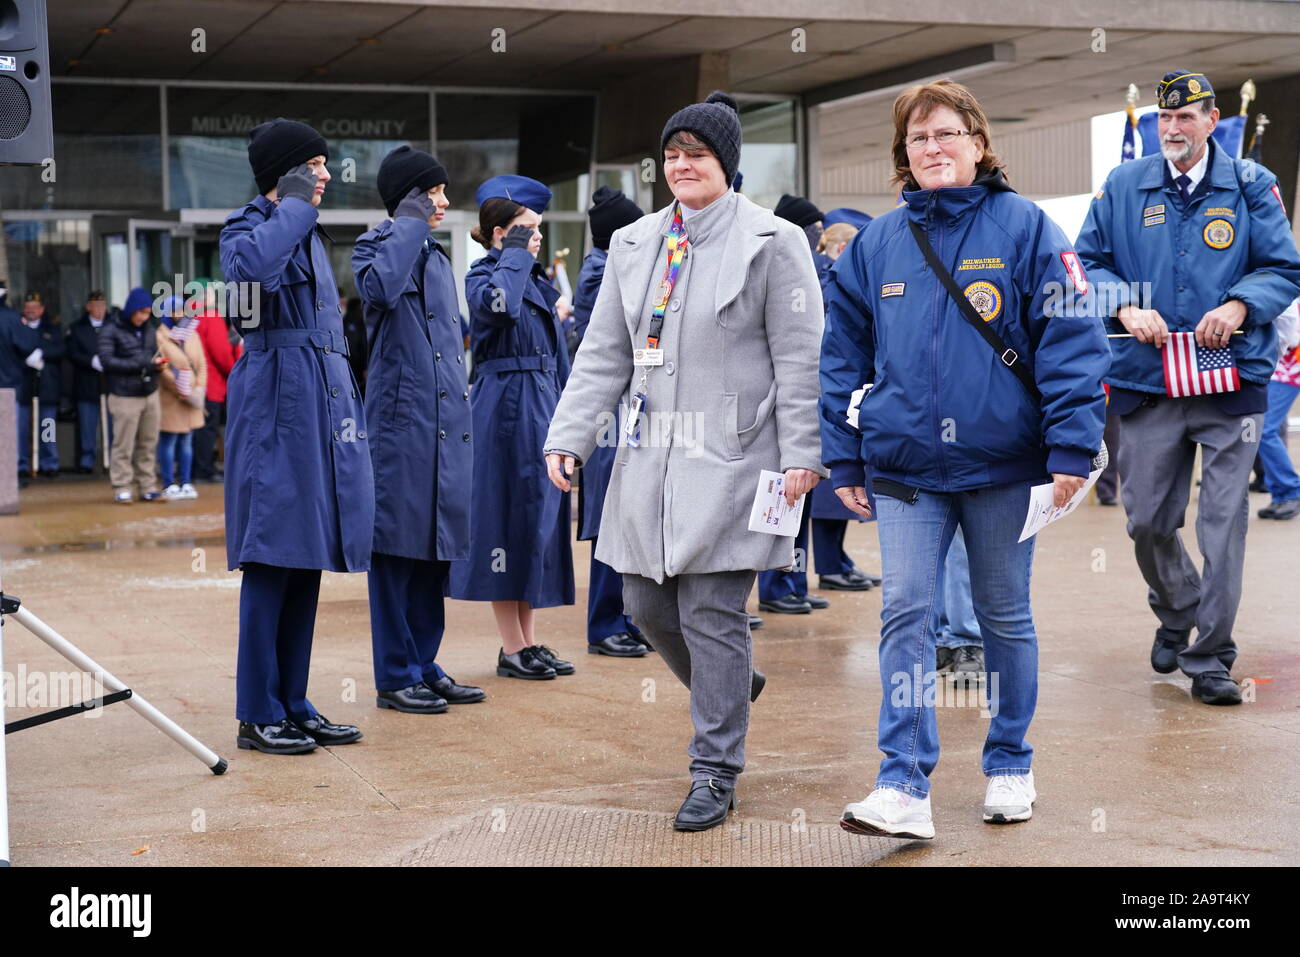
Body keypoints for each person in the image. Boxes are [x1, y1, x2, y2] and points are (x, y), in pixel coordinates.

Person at [822, 80, 1108, 840]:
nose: (933, 148)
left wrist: (1073, 446)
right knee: (904, 611)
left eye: (946, 134)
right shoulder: (877, 245)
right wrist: (842, 459)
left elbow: (1073, 341)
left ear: (978, 143)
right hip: (905, 469)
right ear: (903, 157)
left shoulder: (1027, 228)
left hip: (1003, 466)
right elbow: (840, 356)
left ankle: (1010, 760)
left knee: (1003, 616)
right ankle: (901, 783)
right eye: (918, 140)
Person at [545, 90, 826, 831]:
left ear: (726, 164)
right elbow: (602, 353)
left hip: (737, 451)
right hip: (649, 454)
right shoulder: (637, 244)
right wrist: (568, 435)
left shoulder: (772, 241)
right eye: (672, 155)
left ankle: (714, 768)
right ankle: (731, 682)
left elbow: (801, 359)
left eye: (696, 154)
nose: (681, 165)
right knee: (642, 603)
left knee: (710, 608)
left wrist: (804, 452)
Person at [1076, 71, 1300, 705]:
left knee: (1223, 526)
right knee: (1146, 519)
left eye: (1185, 118)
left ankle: (1209, 658)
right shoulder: (1123, 185)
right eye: (1163, 120)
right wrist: (1122, 306)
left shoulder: (1253, 184)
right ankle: (1178, 611)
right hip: (1149, 383)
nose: (1172, 130)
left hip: (1232, 382)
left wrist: (1238, 306)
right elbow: (1085, 263)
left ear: (1211, 120)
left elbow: (1283, 267)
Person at [221, 118, 374, 754]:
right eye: (314, 165)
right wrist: (289, 207)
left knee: (305, 555)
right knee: (271, 556)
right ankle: (257, 711)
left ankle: (293, 699)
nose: (327, 176)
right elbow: (249, 285)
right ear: (285, 172)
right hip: (274, 407)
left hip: (318, 405)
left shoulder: (306, 230)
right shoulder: (245, 228)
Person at [353, 145, 484, 714]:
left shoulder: (433, 257)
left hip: (444, 427)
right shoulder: (375, 246)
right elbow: (380, 288)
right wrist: (406, 221)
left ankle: (423, 664)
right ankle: (394, 674)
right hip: (399, 428)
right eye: (433, 192)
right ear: (409, 197)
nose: (444, 201)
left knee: (435, 550)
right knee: (396, 553)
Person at [448, 173, 576, 681]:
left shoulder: (536, 281)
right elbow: (498, 310)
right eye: (527, 227)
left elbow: (556, 356)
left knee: (536, 526)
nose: (537, 236)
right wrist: (516, 255)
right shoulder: (482, 277)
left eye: (538, 227)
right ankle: (511, 645)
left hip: (541, 406)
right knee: (506, 523)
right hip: (504, 413)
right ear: (499, 232)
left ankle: (524, 641)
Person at [571, 186, 653, 657]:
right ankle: (604, 623)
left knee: (628, 514)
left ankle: (625, 616)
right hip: (614, 405)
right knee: (610, 514)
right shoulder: (601, 270)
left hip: (630, 403)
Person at [98, 287, 166, 504]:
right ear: (131, 310)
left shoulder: (149, 330)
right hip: (124, 394)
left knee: (148, 442)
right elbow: (107, 361)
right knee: (123, 444)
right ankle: (122, 487)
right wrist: (143, 363)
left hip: (149, 392)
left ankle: (147, 486)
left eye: (147, 313)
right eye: (141, 312)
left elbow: (152, 353)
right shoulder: (110, 329)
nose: (143, 317)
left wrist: (157, 366)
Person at [155, 296, 207, 500]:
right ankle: (168, 483)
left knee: (187, 441)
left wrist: (200, 388)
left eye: (183, 310)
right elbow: (161, 367)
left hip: (192, 397)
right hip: (172, 399)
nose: (180, 314)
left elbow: (202, 364)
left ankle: (186, 481)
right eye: (175, 310)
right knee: (168, 441)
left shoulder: (191, 332)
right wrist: (180, 388)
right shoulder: (160, 335)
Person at [191, 280, 242, 482]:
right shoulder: (210, 316)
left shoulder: (191, 315)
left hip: (196, 381)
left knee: (197, 428)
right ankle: (204, 470)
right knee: (207, 428)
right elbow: (220, 351)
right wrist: (234, 370)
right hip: (211, 382)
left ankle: (197, 468)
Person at [1257, 298, 1300, 519]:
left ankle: (1290, 491)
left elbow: (1291, 334)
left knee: (1264, 429)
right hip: (1276, 368)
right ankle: (1280, 494)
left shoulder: (1286, 282)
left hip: (1287, 369)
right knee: (1272, 429)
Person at [65, 291, 113, 474]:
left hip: (109, 384)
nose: (100, 309)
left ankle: (110, 459)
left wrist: (108, 360)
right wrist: (90, 361)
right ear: (88, 307)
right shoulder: (77, 327)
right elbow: (72, 351)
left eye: (102, 305)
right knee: (87, 425)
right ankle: (87, 460)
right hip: (86, 383)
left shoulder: (114, 324)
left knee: (111, 426)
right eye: (96, 305)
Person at [16, 292, 63, 478]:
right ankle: (22, 464)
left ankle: (48, 463)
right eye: (28, 308)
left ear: (41, 309)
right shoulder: (18, 327)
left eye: (34, 308)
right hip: (23, 385)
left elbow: (60, 349)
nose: (31, 311)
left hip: (46, 385)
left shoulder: (52, 329)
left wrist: (42, 354)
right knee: (21, 427)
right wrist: (26, 358)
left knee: (47, 427)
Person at [1, 281, 39, 486]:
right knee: (8, 437)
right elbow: (27, 346)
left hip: (8, 385)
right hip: (8, 387)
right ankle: (9, 480)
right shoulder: (13, 319)